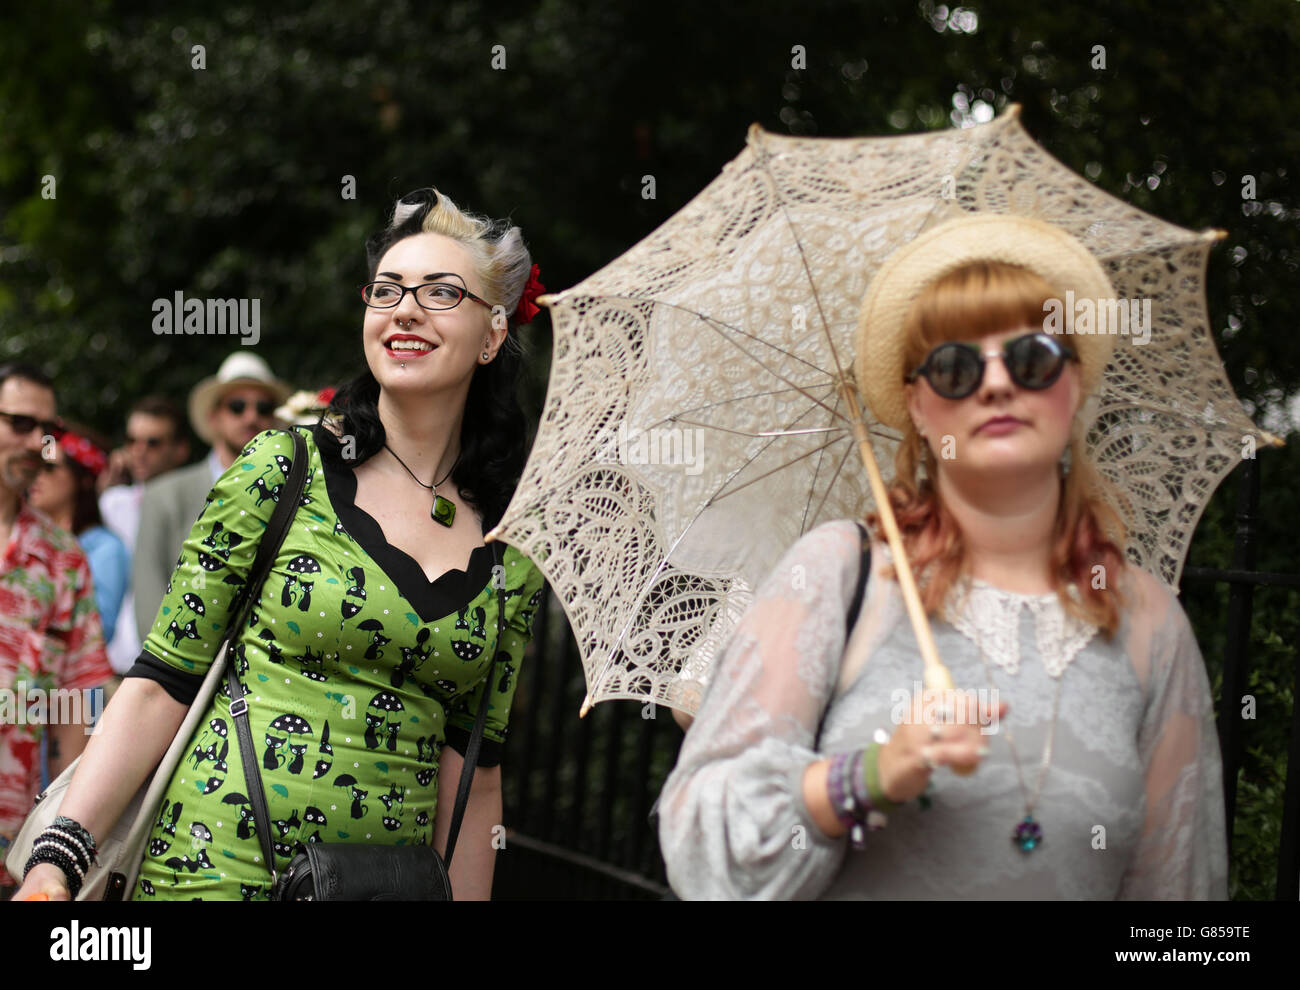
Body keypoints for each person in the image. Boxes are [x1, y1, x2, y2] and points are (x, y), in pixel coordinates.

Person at [656, 215, 1228, 900]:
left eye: (1032, 357)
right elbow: (699, 842)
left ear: (1072, 385)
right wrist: (863, 777)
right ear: (917, 407)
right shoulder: (839, 574)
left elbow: (1182, 901)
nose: (995, 385)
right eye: (955, 367)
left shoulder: (1150, 623)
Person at [15, 187, 549, 901]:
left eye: (443, 292)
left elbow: (476, 777)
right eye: (388, 289)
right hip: (208, 877)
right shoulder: (283, 469)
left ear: (491, 334)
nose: (406, 308)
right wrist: (58, 860)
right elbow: (161, 680)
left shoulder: (509, 553)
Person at [0, 363, 112, 896]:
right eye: (21, 424)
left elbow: (80, 702)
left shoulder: (64, 558)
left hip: (11, 840)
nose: (37, 445)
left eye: (49, 433)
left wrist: (58, 839)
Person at [130, 353, 291, 648]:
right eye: (237, 406)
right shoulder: (163, 496)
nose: (251, 417)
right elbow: (149, 606)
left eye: (264, 407)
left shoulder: (295, 497)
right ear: (214, 417)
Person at [98, 397, 190, 674]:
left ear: (180, 450)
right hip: (113, 663)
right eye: (131, 440)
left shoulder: (200, 505)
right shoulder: (113, 504)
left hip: (171, 663)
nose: (138, 451)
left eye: (153, 442)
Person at [28, 427, 130, 645]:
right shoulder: (25, 536)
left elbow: (99, 632)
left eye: (49, 468)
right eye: (35, 466)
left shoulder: (105, 548)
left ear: (83, 479)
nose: (36, 476)